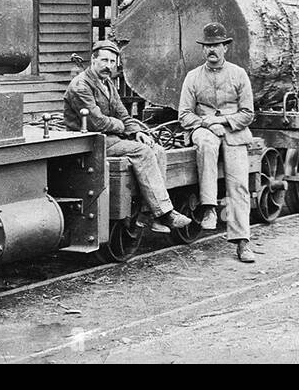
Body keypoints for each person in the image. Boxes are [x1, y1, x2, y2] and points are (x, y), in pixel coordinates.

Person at [64, 40, 192, 233]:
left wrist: (138, 131)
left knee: (156, 149)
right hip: (90, 142)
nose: (108, 66)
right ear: (93, 59)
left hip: (109, 138)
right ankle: (165, 213)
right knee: (143, 152)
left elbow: (123, 114)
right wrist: (122, 127)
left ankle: (149, 215)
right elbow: (97, 122)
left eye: (112, 62)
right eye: (104, 60)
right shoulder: (81, 86)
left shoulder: (107, 84)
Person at [178, 22, 257, 263]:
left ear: (225, 47)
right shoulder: (193, 77)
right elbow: (184, 114)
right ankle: (210, 207)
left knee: (238, 184)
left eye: (217, 45)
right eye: (208, 46)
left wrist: (221, 121)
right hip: (204, 129)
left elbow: (247, 113)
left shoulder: (238, 74)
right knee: (206, 144)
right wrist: (206, 124)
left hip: (234, 132)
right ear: (203, 50)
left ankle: (242, 242)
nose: (212, 50)